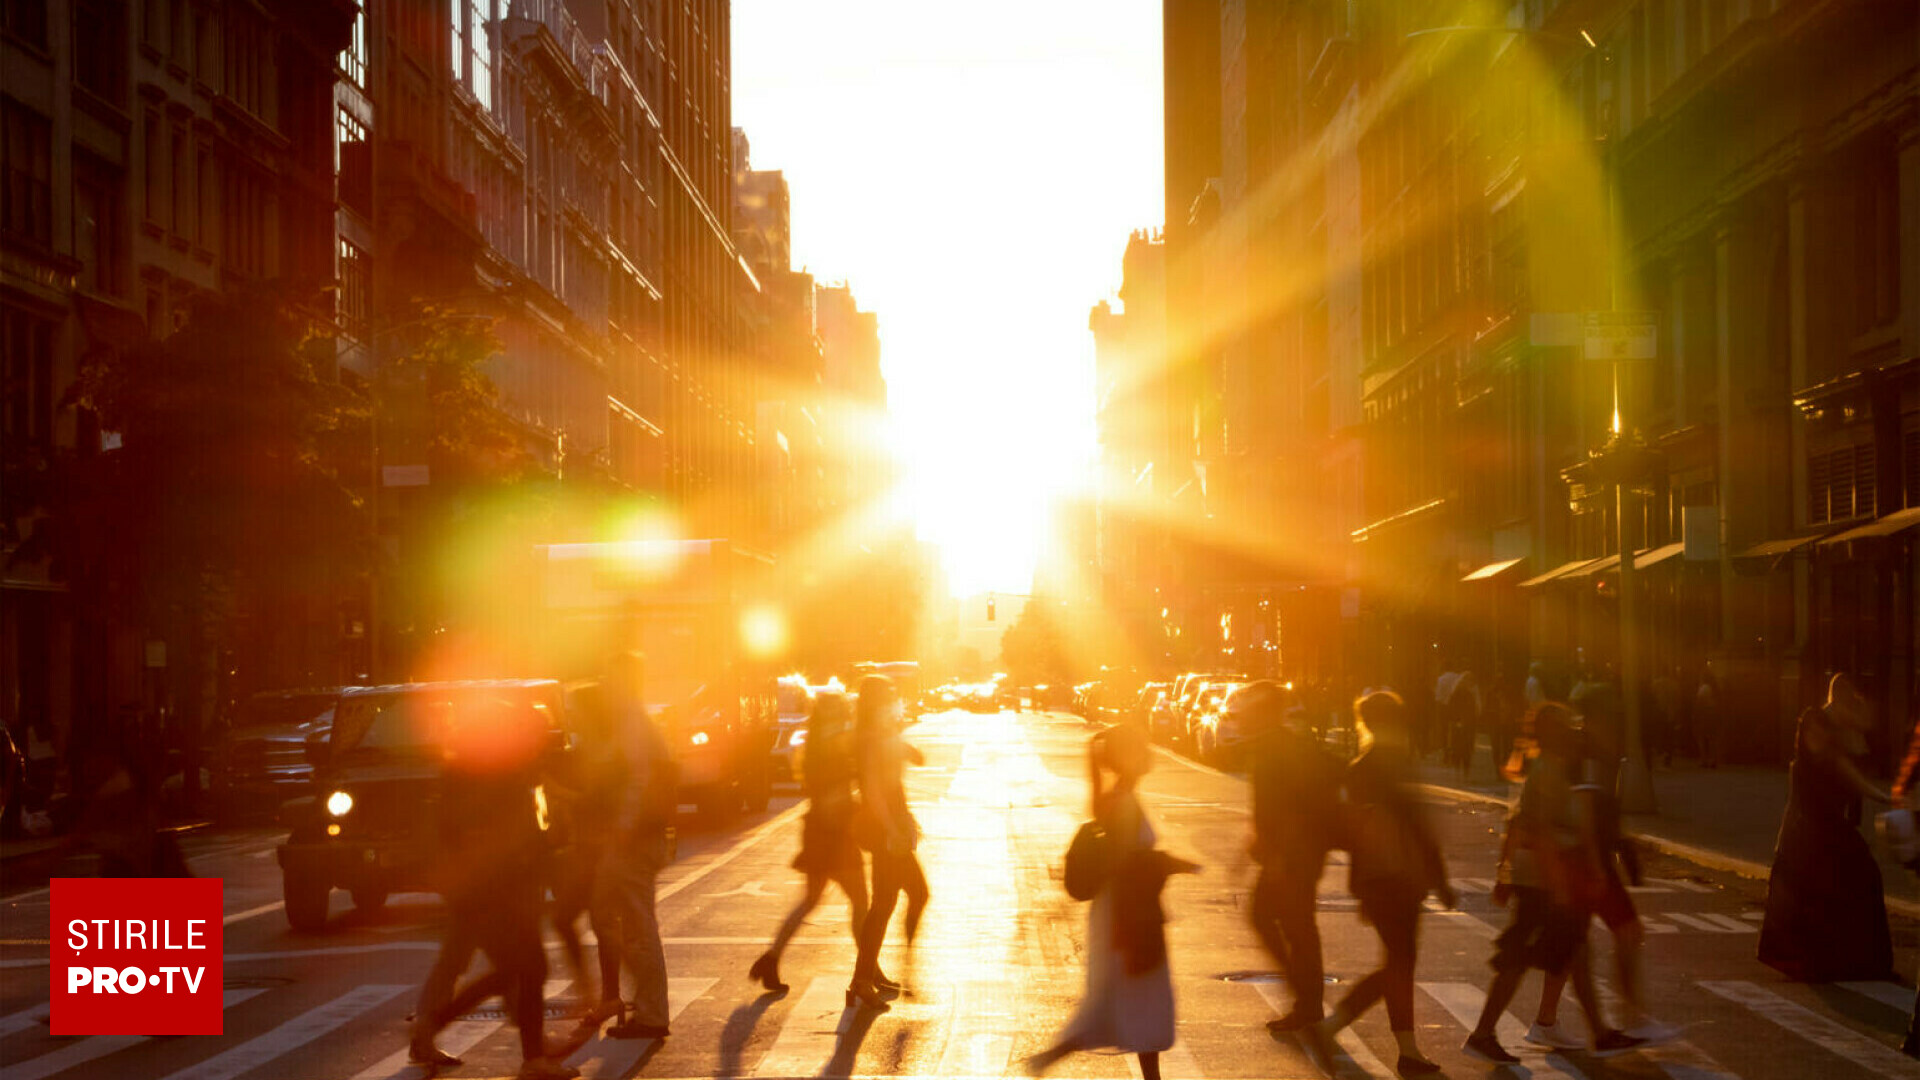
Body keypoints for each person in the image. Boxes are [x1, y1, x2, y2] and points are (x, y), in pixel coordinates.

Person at [1462, 703, 1642, 1064]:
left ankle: (1597, 1032)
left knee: (1575, 951)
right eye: (1566, 729)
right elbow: (1538, 830)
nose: (1574, 735)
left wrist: (1505, 871)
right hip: (1542, 882)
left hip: (1546, 879)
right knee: (1518, 957)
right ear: (1553, 735)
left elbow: (1519, 822)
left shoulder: (1552, 770)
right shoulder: (1546, 772)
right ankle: (1483, 1034)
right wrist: (1552, 885)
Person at [411, 695, 577, 1080]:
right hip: (499, 887)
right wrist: (543, 849)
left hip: (485, 886)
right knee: (527, 967)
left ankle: (530, 1052)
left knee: (517, 969)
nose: (537, 741)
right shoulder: (498, 769)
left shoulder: (466, 768)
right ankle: (528, 1056)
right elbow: (512, 830)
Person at [1025, 723, 1199, 1079]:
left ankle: (1050, 1058)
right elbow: (1127, 861)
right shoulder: (1122, 801)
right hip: (1127, 916)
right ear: (1128, 756)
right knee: (1136, 997)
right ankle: (1050, 1057)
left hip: (1123, 912)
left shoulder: (1120, 795)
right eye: (1141, 747)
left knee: (1126, 998)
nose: (1149, 753)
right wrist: (1169, 863)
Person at [1524, 691, 1676, 1049]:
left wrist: (1620, 847)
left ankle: (1550, 1020)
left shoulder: (1584, 752)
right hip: (1582, 861)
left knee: (1578, 947)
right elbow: (1579, 814)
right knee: (1604, 938)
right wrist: (1598, 863)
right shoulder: (1570, 757)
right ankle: (1626, 1021)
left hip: (1588, 858)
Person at [1312, 692, 1453, 1076]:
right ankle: (1335, 1027)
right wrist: (1439, 877)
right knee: (1399, 961)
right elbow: (1416, 826)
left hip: (1379, 878)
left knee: (1398, 961)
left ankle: (1404, 1049)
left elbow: (1352, 831)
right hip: (1398, 877)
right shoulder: (1393, 765)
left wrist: (1360, 882)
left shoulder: (1361, 768)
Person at [1758, 673, 1895, 982]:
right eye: (1810, 734)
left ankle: (1840, 958)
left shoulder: (1832, 742)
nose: (1814, 738)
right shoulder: (1817, 750)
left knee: (1851, 882)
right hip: (1808, 832)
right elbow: (1852, 777)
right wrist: (1885, 796)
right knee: (1825, 889)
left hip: (1819, 829)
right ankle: (1822, 959)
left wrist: (1884, 795)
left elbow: (1854, 765)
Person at [1240, 680, 1343, 1033]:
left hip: (1290, 856)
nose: (1244, 718)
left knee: (1274, 920)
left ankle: (1305, 996)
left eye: (1251, 711)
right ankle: (1306, 998)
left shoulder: (1273, 747)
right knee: (1296, 926)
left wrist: (1276, 857)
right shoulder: (1286, 743)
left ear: (1264, 712)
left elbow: (1279, 808)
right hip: (1302, 853)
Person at [751, 691, 871, 992]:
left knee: (811, 900)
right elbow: (835, 795)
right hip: (834, 834)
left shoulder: (817, 743)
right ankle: (867, 969)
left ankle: (772, 956)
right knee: (860, 901)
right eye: (842, 710)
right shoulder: (834, 746)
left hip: (818, 830)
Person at [593, 653, 677, 1040]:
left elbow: (638, 783)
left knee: (637, 927)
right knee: (618, 920)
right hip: (639, 837)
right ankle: (633, 1001)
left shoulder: (633, 725)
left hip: (634, 841)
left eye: (611, 678)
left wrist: (623, 830)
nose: (606, 687)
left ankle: (650, 1012)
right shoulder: (635, 722)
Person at [849, 676, 928, 1010]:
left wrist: (901, 741)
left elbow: (916, 759)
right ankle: (863, 980)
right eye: (890, 696)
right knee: (889, 901)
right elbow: (874, 791)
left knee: (892, 900)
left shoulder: (883, 735)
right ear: (876, 702)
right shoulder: (869, 739)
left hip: (893, 827)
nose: (894, 701)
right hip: (885, 831)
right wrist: (892, 828)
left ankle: (867, 976)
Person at [1694, 664, 1724, 768]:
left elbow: (1700, 701)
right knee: (1712, 738)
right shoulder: (1715, 688)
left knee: (1701, 737)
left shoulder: (1704, 688)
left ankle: (1703, 759)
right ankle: (1713, 759)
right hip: (1714, 713)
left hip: (1705, 714)